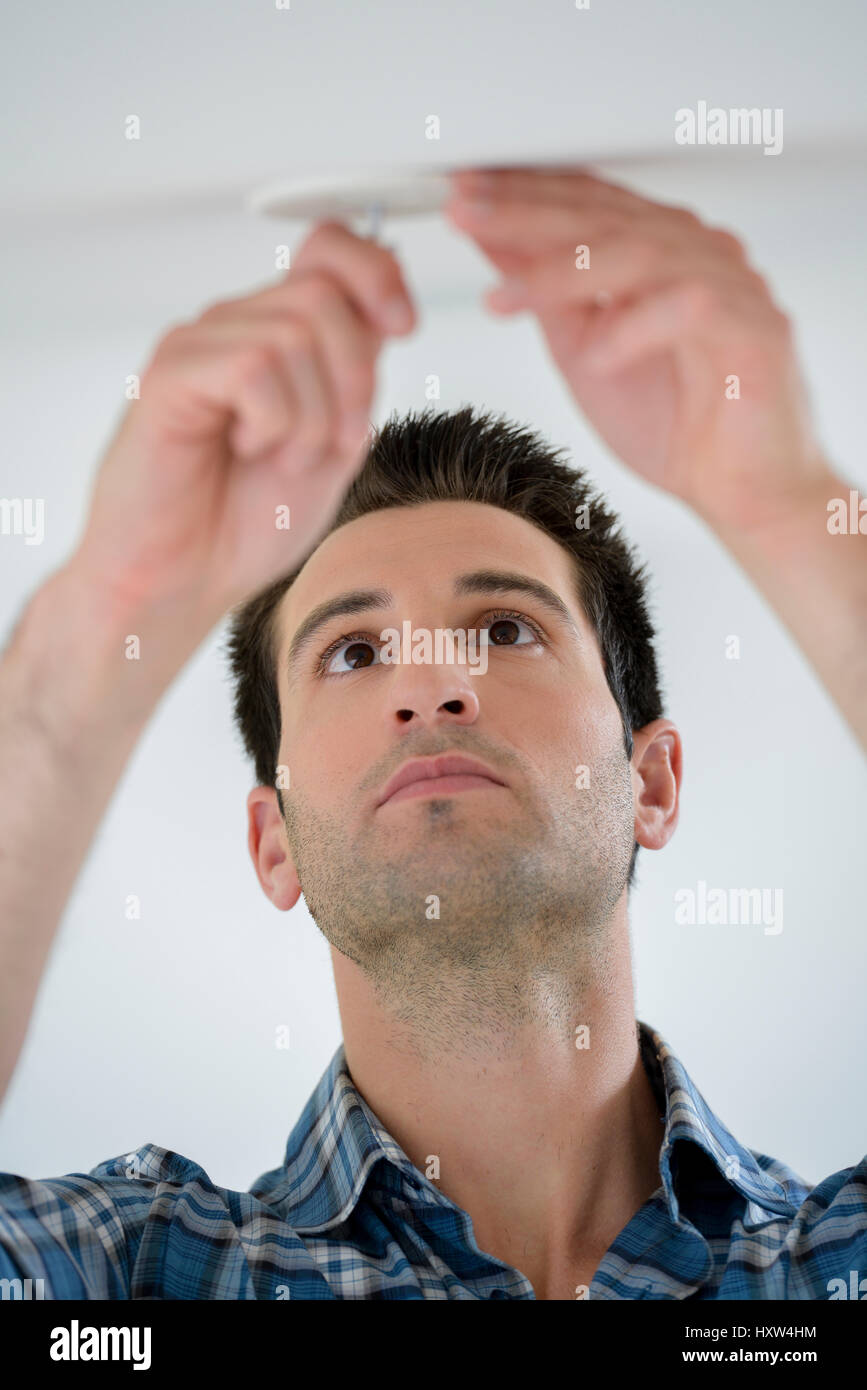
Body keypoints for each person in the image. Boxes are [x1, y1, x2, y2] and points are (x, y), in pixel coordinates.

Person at [0, 167, 864, 1301]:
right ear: (277, 842)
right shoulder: (130, 1281)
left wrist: (792, 503)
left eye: (505, 627)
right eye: (353, 653)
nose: (433, 689)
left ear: (651, 779)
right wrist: (108, 611)